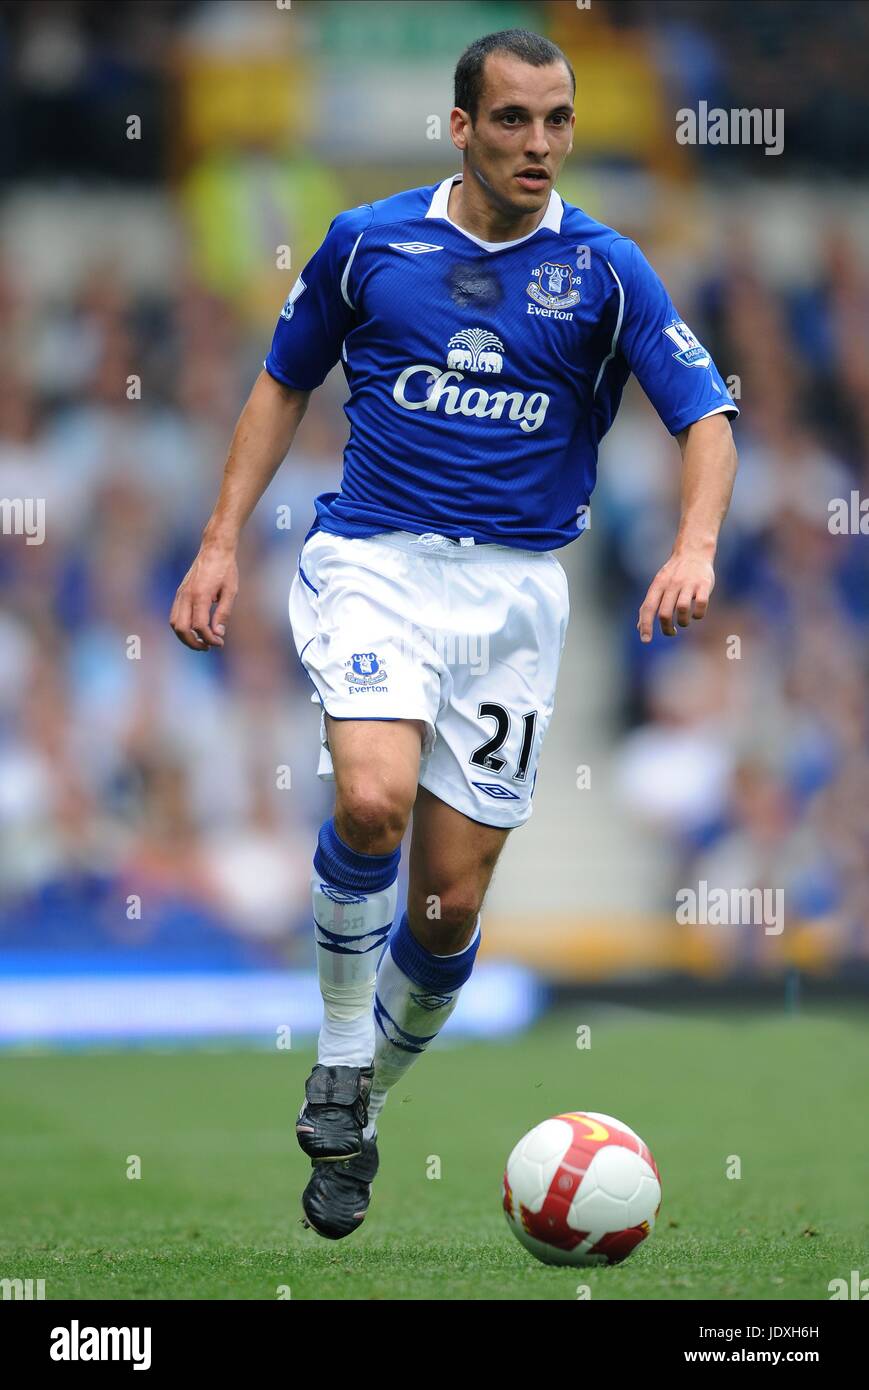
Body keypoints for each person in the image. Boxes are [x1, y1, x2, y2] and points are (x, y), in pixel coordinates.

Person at [170, 28, 739, 1240]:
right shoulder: (369, 242)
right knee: (370, 801)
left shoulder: (603, 267)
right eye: (514, 120)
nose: (540, 143)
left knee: (443, 911)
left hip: (516, 601)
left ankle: (360, 1102)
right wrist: (220, 540)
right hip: (373, 562)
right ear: (462, 127)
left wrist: (692, 545)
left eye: (557, 120)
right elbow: (281, 380)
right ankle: (335, 1055)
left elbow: (704, 415)